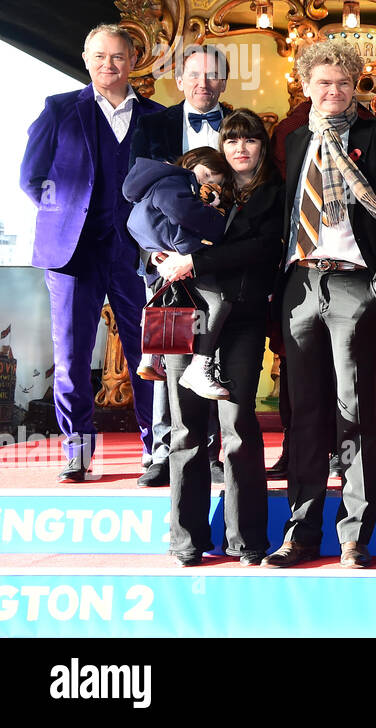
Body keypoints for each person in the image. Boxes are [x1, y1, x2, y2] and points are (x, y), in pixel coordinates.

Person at [265, 39, 376, 570]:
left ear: (357, 87)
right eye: (324, 84)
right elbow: (281, 214)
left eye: (344, 84)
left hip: (356, 285)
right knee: (304, 415)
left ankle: (354, 535)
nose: (334, 92)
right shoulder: (293, 140)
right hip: (301, 285)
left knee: (355, 412)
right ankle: (300, 533)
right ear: (306, 88)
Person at [20, 23, 164, 482]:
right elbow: (31, 176)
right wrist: (64, 217)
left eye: (118, 56)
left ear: (133, 60)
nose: (109, 65)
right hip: (73, 255)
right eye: (100, 56)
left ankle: (154, 450)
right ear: (85, 59)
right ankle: (77, 452)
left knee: (149, 354)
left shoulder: (157, 117)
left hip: (138, 256)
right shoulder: (59, 110)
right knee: (71, 356)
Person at [152, 109, 282, 566]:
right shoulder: (196, 185)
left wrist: (197, 262)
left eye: (250, 141)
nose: (241, 148)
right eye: (232, 141)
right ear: (222, 149)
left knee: (239, 426)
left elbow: (263, 249)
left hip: (243, 317)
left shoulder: (273, 194)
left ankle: (247, 541)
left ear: (263, 148)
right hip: (186, 316)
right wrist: (159, 255)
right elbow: (149, 225)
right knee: (186, 428)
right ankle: (186, 540)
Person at [129, 45, 233, 486]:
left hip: (217, 261)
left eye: (211, 76)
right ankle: (162, 453)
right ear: (180, 78)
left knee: (209, 360)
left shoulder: (240, 126)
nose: (202, 84)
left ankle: (210, 452)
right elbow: (136, 194)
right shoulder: (153, 124)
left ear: (225, 82)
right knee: (167, 354)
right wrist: (156, 252)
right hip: (165, 263)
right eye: (194, 75)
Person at [123, 146, 231, 399]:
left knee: (165, 304)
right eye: (205, 176)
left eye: (213, 183)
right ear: (191, 161)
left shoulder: (155, 181)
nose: (205, 184)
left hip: (157, 250)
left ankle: (152, 355)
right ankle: (196, 367)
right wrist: (216, 221)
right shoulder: (174, 180)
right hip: (174, 247)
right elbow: (185, 213)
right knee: (219, 300)